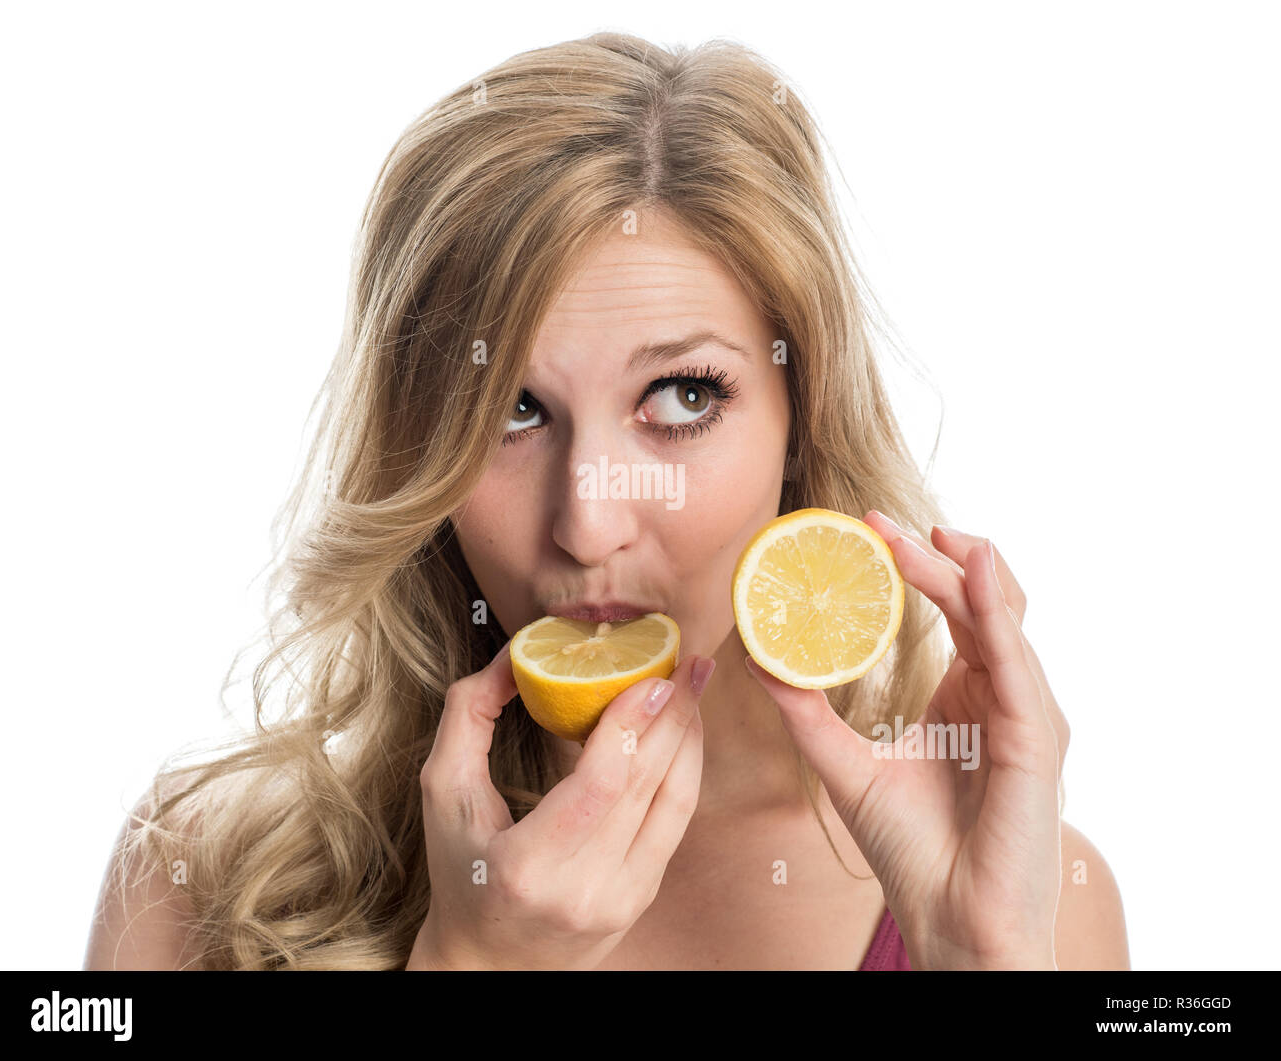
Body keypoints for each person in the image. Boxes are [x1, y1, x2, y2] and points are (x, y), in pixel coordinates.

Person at [84, 31, 1129, 971]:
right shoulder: (203, 878)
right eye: (510, 411)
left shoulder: (1026, 894)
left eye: (682, 398)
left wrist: (979, 957)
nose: (588, 520)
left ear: (800, 416)